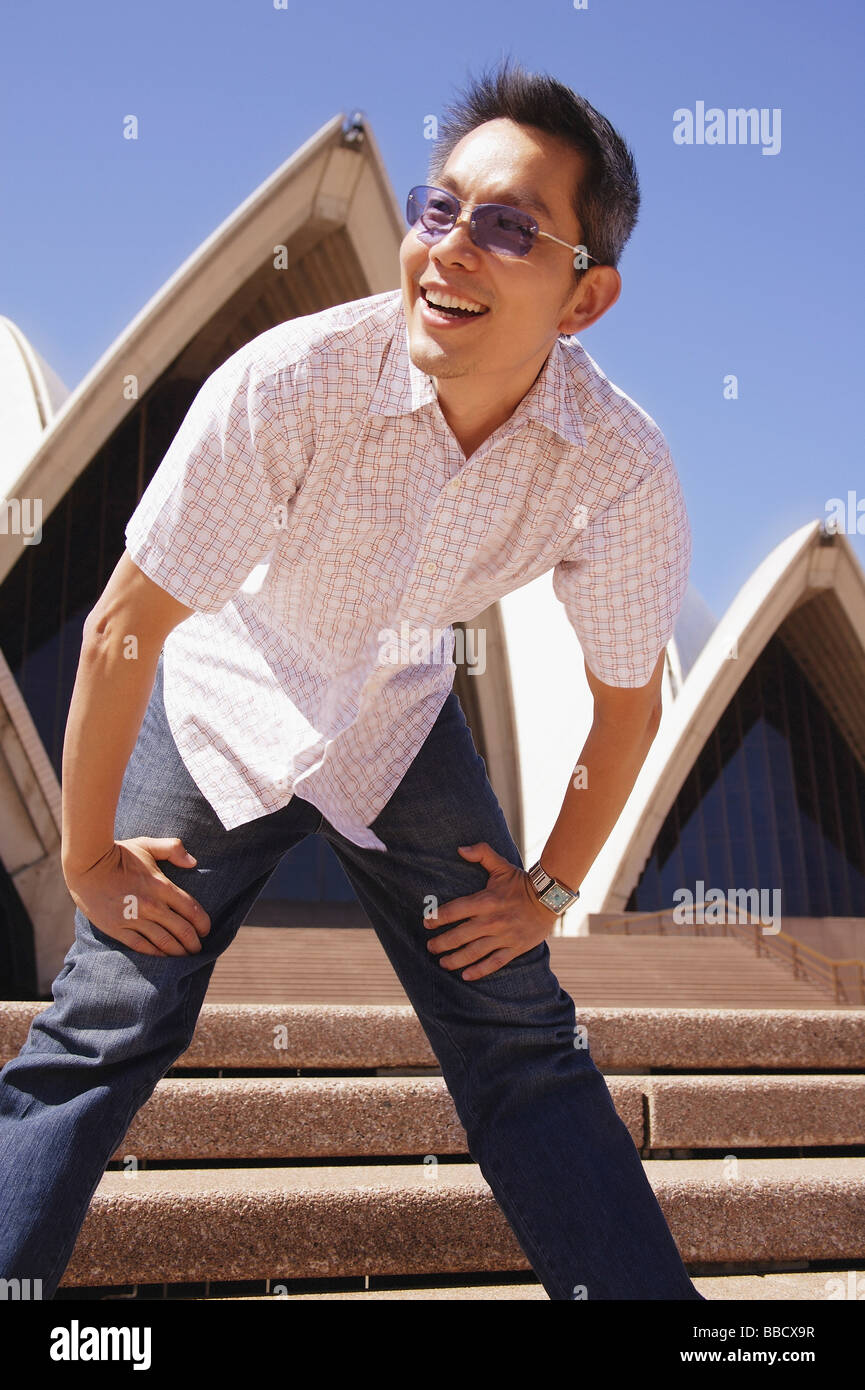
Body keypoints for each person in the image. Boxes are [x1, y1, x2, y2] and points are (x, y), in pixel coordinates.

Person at [0, 58, 704, 1301]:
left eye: (505, 228)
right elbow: (119, 628)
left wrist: (548, 887)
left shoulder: (620, 466)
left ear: (584, 296)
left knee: (520, 1034)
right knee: (107, 1018)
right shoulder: (292, 381)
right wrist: (86, 855)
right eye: (440, 210)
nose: (448, 249)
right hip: (224, 698)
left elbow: (625, 701)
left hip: (396, 718)